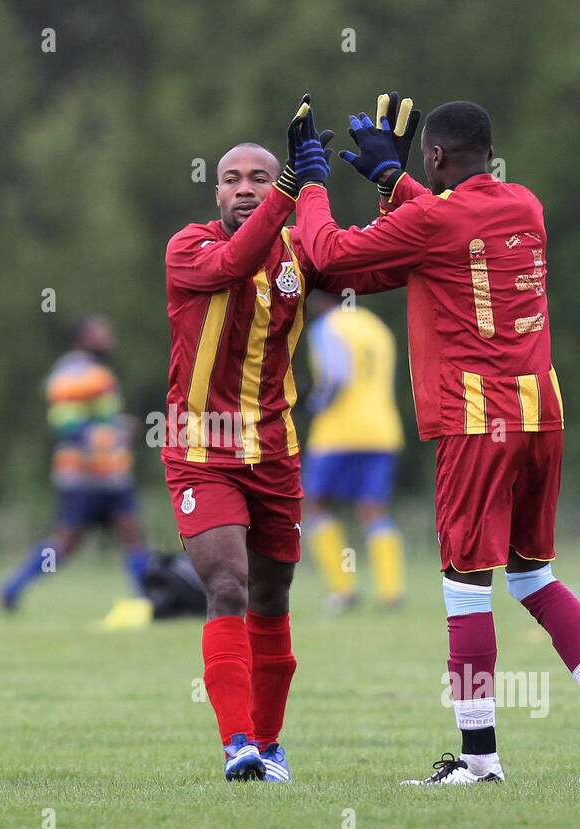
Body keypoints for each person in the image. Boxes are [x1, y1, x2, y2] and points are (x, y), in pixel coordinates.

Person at [286, 93, 580, 783]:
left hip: (478, 416)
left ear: (435, 155)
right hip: (543, 409)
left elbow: (331, 255)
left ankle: (480, 760)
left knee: (464, 586)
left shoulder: (430, 220)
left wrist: (310, 183)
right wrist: (395, 180)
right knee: (534, 574)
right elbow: (445, 228)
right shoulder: (526, 204)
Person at [163, 96, 406, 782]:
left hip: (274, 453)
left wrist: (394, 187)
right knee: (229, 585)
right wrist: (292, 194)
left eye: (262, 178)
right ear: (216, 191)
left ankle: (268, 749)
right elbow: (233, 265)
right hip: (201, 449)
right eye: (233, 178)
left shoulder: (302, 252)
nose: (246, 188)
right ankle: (236, 742)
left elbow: (385, 264)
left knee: (272, 599)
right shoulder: (191, 246)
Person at [0, 314, 151, 614]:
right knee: (66, 543)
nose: (109, 337)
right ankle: (12, 587)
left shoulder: (96, 371)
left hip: (111, 474)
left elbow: (95, 420)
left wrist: (117, 426)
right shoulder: (73, 372)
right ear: (82, 339)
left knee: (132, 533)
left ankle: (148, 599)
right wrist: (112, 433)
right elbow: (67, 424)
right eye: (101, 332)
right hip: (83, 475)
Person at [302, 291, 406, 611]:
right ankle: (391, 591)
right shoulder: (377, 327)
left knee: (316, 505)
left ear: (320, 300)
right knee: (373, 509)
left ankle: (344, 589)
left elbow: (337, 375)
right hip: (382, 430)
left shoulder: (327, 326)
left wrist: (315, 403)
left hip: (338, 432)